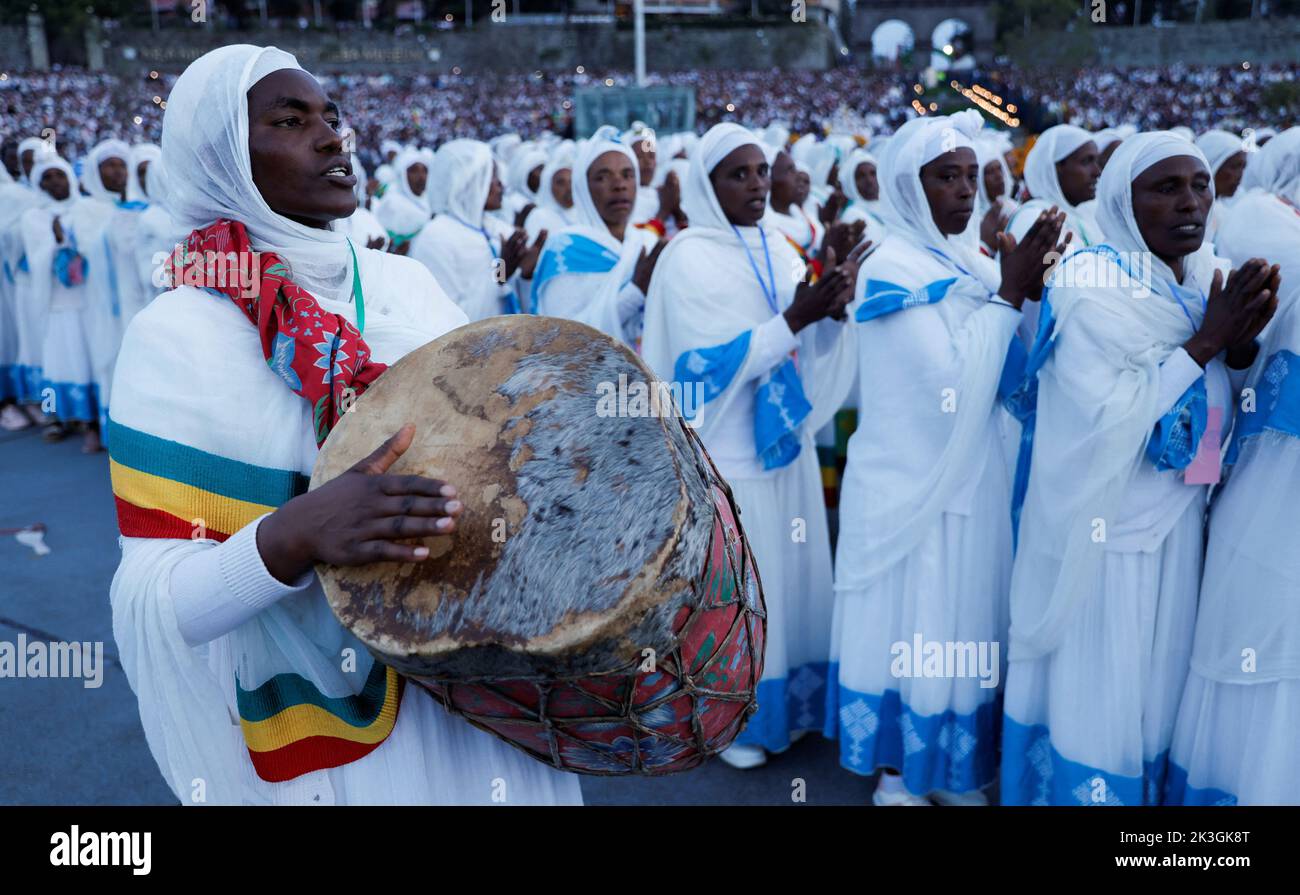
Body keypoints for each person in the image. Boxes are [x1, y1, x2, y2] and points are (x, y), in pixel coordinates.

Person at [107, 44, 583, 806]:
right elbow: (155, 604)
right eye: (291, 121)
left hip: (481, 693)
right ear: (222, 157)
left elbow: (503, 455)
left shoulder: (408, 285)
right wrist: (292, 537)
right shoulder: (176, 337)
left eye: (333, 116)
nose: (334, 138)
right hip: (344, 746)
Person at [1000, 132, 1276, 806]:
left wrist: (1235, 349)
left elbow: (1220, 391)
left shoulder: (1204, 275)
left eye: (1200, 186)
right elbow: (1107, 420)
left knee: (1155, 687)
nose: (1190, 203)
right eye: (1167, 187)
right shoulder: (1088, 288)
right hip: (1105, 532)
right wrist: (1209, 338)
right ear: (1124, 202)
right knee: (1102, 688)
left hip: (1177, 520)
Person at [825, 111, 1066, 806]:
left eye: (970, 175)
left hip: (973, 478)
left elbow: (1010, 371)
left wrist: (1029, 296)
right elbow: (949, 390)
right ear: (909, 185)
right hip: (913, 486)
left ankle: (950, 766)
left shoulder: (965, 261)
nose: (964, 191)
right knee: (916, 622)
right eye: (945, 177)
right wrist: (1011, 290)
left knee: (962, 620)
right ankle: (900, 773)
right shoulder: (890, 269)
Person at [640, 122, 862, 770]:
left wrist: (831, 310)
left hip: (781, 447)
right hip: (726, 452)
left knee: (786, 586)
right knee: (742, 591)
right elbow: (696, 369)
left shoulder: (783, 246)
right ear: (708, 187)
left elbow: (805, 347)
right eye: (738, 174)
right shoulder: (686, 256)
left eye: (761, 171)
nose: (757, 184)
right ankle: (732, 719)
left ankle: (788, 709)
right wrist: (795, 318)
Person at [1166, 126, 1298, 805]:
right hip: (1266, 488)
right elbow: (1228, 376)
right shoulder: (1264, 233)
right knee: (1261, 641)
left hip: (1263, 487)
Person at [528, 126, 664, 346]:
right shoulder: (565, 249)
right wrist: (633, 293)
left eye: (628, 175)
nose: (619, 185)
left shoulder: (646, 242)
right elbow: (562, 342)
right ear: (583, 187)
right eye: (602, 177)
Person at [409, 139, 543, 320]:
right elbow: (447, 321)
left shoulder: (493, 227)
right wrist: (502, 272)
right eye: (492, 176)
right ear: (468, 181)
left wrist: (526, 273)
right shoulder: (437, 237)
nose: (500, 185)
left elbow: (512, 299)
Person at [21, 154, 100, 448]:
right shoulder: (34, 216)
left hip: (87, 298)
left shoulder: (85, 209)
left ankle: (89, 419)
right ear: (39, 184)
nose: (55, 182)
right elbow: (35, 256)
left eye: (60, 175)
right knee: (57, 361)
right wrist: (56, 241)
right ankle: (54, 416)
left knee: (87, 360)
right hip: (55, 301)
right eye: (48, 177)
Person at [1194, 130, 1247, 246]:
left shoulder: (1223, 210)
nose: (1240, 175)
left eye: (1243, 167)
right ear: (1211, 164)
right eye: (1234, 167)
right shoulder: (1191, 211)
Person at [374, 147, 432, 253]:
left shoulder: (431, 202)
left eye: (425, 170)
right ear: (403, 175)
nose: (421, 176)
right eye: (414, 170)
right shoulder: (391, 203)